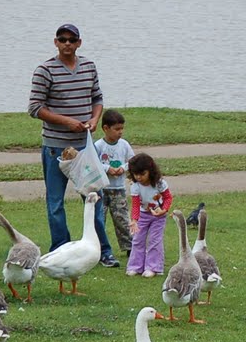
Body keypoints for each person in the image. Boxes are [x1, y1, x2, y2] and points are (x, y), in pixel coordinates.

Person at [28, 23, 117, 264]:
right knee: (55, 202)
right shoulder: (44, 70)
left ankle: (102, 251)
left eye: (72, 39)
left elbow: (97, 97)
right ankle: (60, 248)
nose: (67, 43)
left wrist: (95, 118)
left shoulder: (88, 66)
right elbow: (35, 108)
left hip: (84, 147)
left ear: (79, 43)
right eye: (62, 39)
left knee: (93, 199)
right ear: (55, 42)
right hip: (56, 148)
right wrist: (66, 122)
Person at [94, 109, 136, 263]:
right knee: (99, 219)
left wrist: (123, 168)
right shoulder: (98, 145)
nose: (120, 132)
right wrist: (107, 169)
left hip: (118, 190)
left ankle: (130, 247)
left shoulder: (124, 145)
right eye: (117, 129)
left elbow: (133, 161)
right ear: (105, 128)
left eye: (122, 129)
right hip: (102, 190)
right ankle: (98, 249)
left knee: (122, 219)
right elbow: (93, 163)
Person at [126, 153, 173, 278]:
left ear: (150, 171)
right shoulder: (135, 186)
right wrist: (134, 220)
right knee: (137, 240)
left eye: (142, 174)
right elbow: (135, 205)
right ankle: (135, 266)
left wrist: (163, 210)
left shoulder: (160, 183)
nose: (139, 177)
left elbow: (168, 198)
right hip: (142, 215)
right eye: (136, 174)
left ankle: (153, 267)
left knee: (154, 240)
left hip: (158, 217)